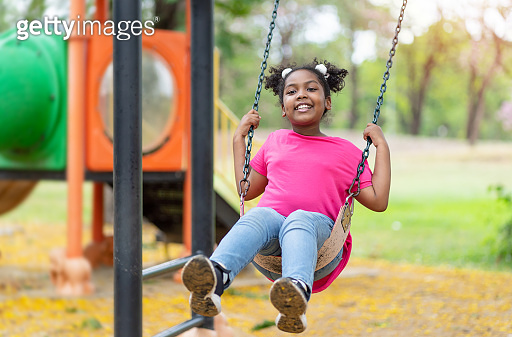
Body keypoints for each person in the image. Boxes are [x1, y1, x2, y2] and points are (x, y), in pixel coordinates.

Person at [182, 58, 391, 334]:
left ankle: (295, 295)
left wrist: (382, 147)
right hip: (271, 247)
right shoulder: (275, 141)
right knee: (259, 214)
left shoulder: (345, 151)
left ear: (327, 102)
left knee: (299, 219)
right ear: (283, 108)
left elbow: (378, 200)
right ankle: (214, 279)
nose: (301, 94)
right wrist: (238, 141)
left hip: (319, 245)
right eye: (291, 91)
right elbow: (247, 190)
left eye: (311, 89)